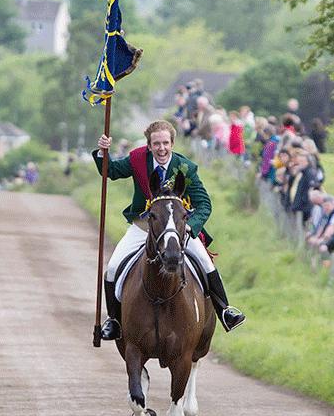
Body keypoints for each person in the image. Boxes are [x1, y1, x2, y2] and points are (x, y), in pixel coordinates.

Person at [92, 121, 246, 340]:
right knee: (113, 267)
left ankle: (225, 311)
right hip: (144, 227)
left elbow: (204, 204)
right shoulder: (137, 159)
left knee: (206, 264)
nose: (161, 148)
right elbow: (112, 171)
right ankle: (114, 321)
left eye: (165, 143)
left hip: (177, 229)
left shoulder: (185, 168)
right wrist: (102, 152)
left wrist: (190, 227)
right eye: (156, 144)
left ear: (172, 143)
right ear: (149, 145)